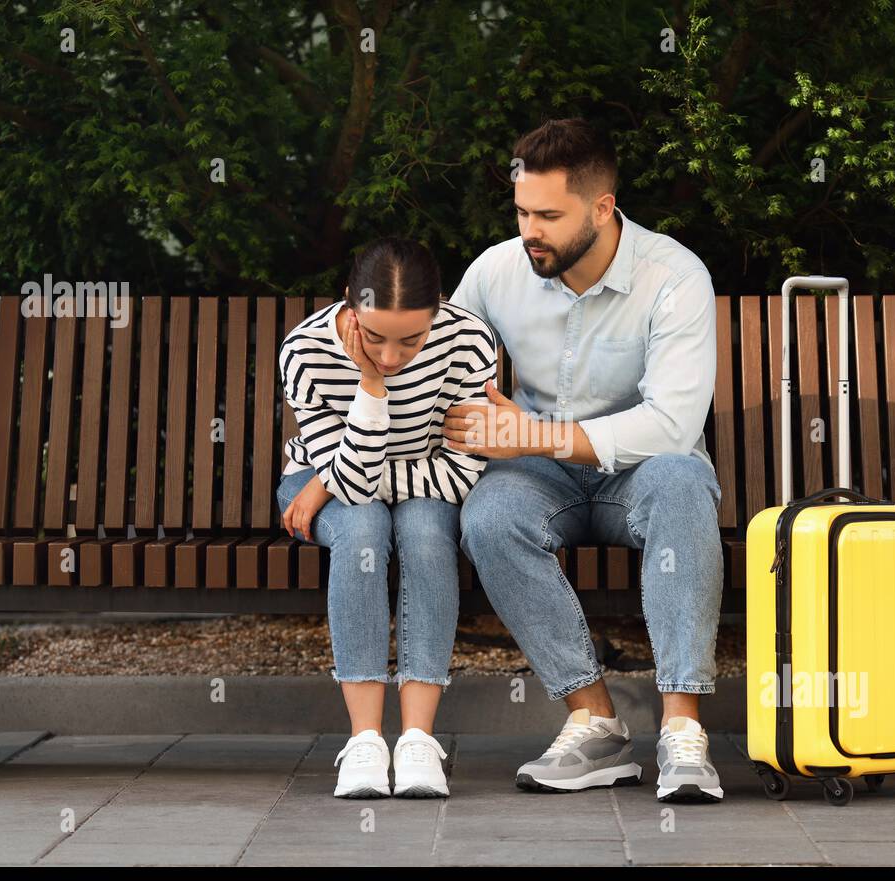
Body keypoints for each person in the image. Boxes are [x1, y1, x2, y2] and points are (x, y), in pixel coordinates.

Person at [444, 118, 725, 802]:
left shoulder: (674, 276)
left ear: (602, 209)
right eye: (520, 211)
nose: (529, 230)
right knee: (489, 514)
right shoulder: (497, 270)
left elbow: (671, 424)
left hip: (647, 469)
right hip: (545, 477)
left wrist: (532, 434)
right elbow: (442, 367)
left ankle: (683, 730)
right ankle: (594, 718)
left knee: (686, 480)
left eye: (547, 214)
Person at [276, 237, 497, 799]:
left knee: (424, 532)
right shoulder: (305, 350)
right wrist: (370, 388)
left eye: (411, 340)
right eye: (374, 339)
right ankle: (367, 740)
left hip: (400, 481)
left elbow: (461, 474)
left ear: (440, 309)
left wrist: (353, 479)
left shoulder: (467, 341)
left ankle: (419, 739)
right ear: (349, 305)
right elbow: (352, 488)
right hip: (325, 481)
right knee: (364, 528)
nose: (392, 357)